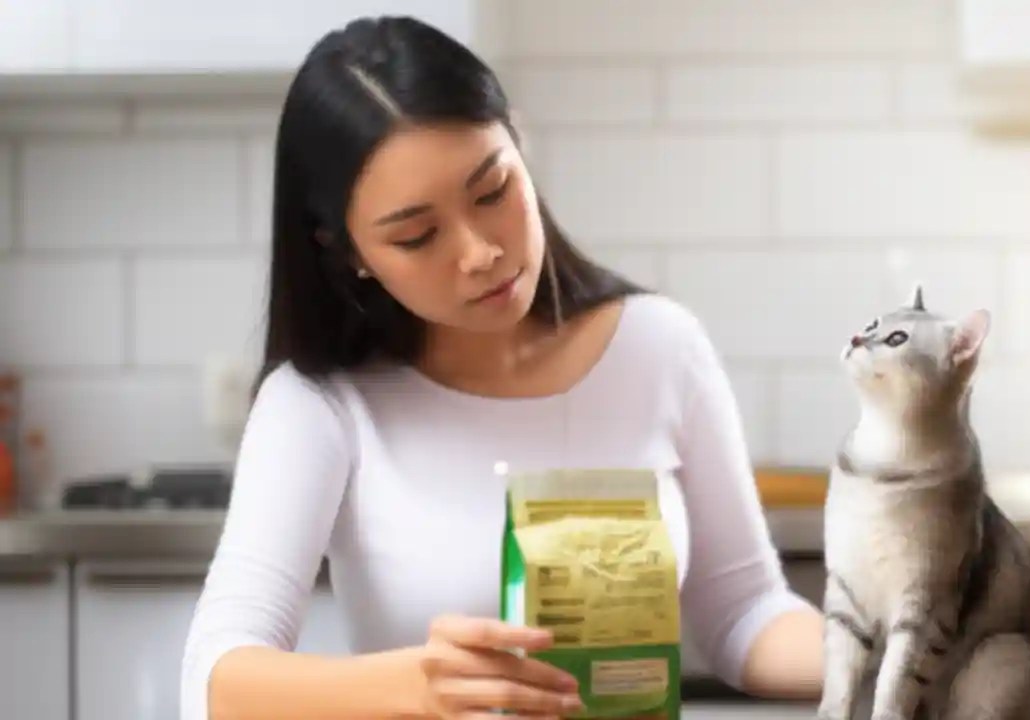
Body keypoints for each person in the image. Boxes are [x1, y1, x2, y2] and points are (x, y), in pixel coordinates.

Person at [180, 15, 824, 720]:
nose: (480, 251)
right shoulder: (320, 404)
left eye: (492, 191)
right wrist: (412, 688)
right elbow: (216, 682)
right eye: (418, 235)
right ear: (348, 252)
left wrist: (899, 657)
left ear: (519, 141)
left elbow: (745, 612)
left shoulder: (661, 348)